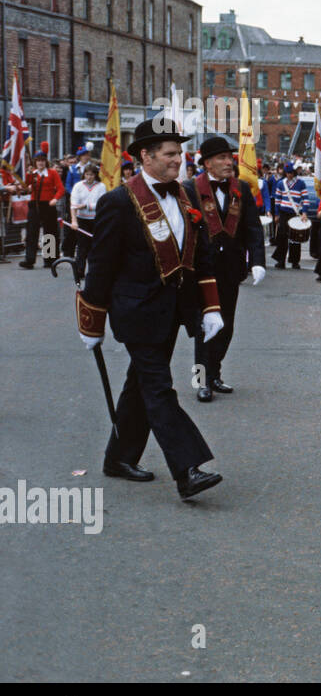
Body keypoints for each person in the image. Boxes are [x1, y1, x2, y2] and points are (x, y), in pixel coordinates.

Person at [77, 118, 225, 500]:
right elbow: (101, 265)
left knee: (139, 386)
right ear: (146, 155)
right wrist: (91, 322)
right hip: (137, 313)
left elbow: (201, 256)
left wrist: (210, 309)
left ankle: (119, 457)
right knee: (159, 389)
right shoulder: (118, 202)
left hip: (172, 312)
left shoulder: (186, 197)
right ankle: (188, 469)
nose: (179, 159)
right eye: (170, 153)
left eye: (180, 152)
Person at [183, 136, 267, 401]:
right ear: (207, 163)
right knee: (203, 326)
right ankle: (200, 381)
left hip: (231, 269)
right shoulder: (189, 189)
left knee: (226, 325)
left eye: (229, 157)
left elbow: (253, 227)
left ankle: (215, 374)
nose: (228, 162)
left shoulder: (240, 187)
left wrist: (257, 261)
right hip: (201, 270)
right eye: (221, 158)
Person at [19, 151, 64, 269]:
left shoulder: (52, 173)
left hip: (48, 205)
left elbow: (60, 189)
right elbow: (25, 185)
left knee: (50, 232)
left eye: (42, 160)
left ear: (46, 161)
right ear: (35, 162)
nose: (40, 163)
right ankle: (29, 260)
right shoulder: (32, 173)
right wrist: (28, 174)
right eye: (38, 160)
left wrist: (55, 199)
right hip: (35, 205)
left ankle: (50, 260)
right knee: (32, 232)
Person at [69, 163, 106, 284]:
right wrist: (74, 221)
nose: (89, 177)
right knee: (82, 246)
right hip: (82, 219)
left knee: (95, 246)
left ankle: (94, 271)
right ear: (84, 174)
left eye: (91, 174)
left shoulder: (101, 186)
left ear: (96, 175)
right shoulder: (78, 186)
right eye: (87, 174)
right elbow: (74, 205)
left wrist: (86, 205)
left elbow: (102, 204)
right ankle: (80, 271)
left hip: (96, 220)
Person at [271, 162, 308, 269]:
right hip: (283, 213)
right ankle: (281, 261)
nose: (289, 175)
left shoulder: (301, 183)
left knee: (296, 238)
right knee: (282, 237)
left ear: (294, 172)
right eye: (287, 173)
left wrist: (304, 212)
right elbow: (277, 200)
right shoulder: (280, 183)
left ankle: (295, 261)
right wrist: (276, 214)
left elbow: (305, 199)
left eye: (291, 173)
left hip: (295, 213)